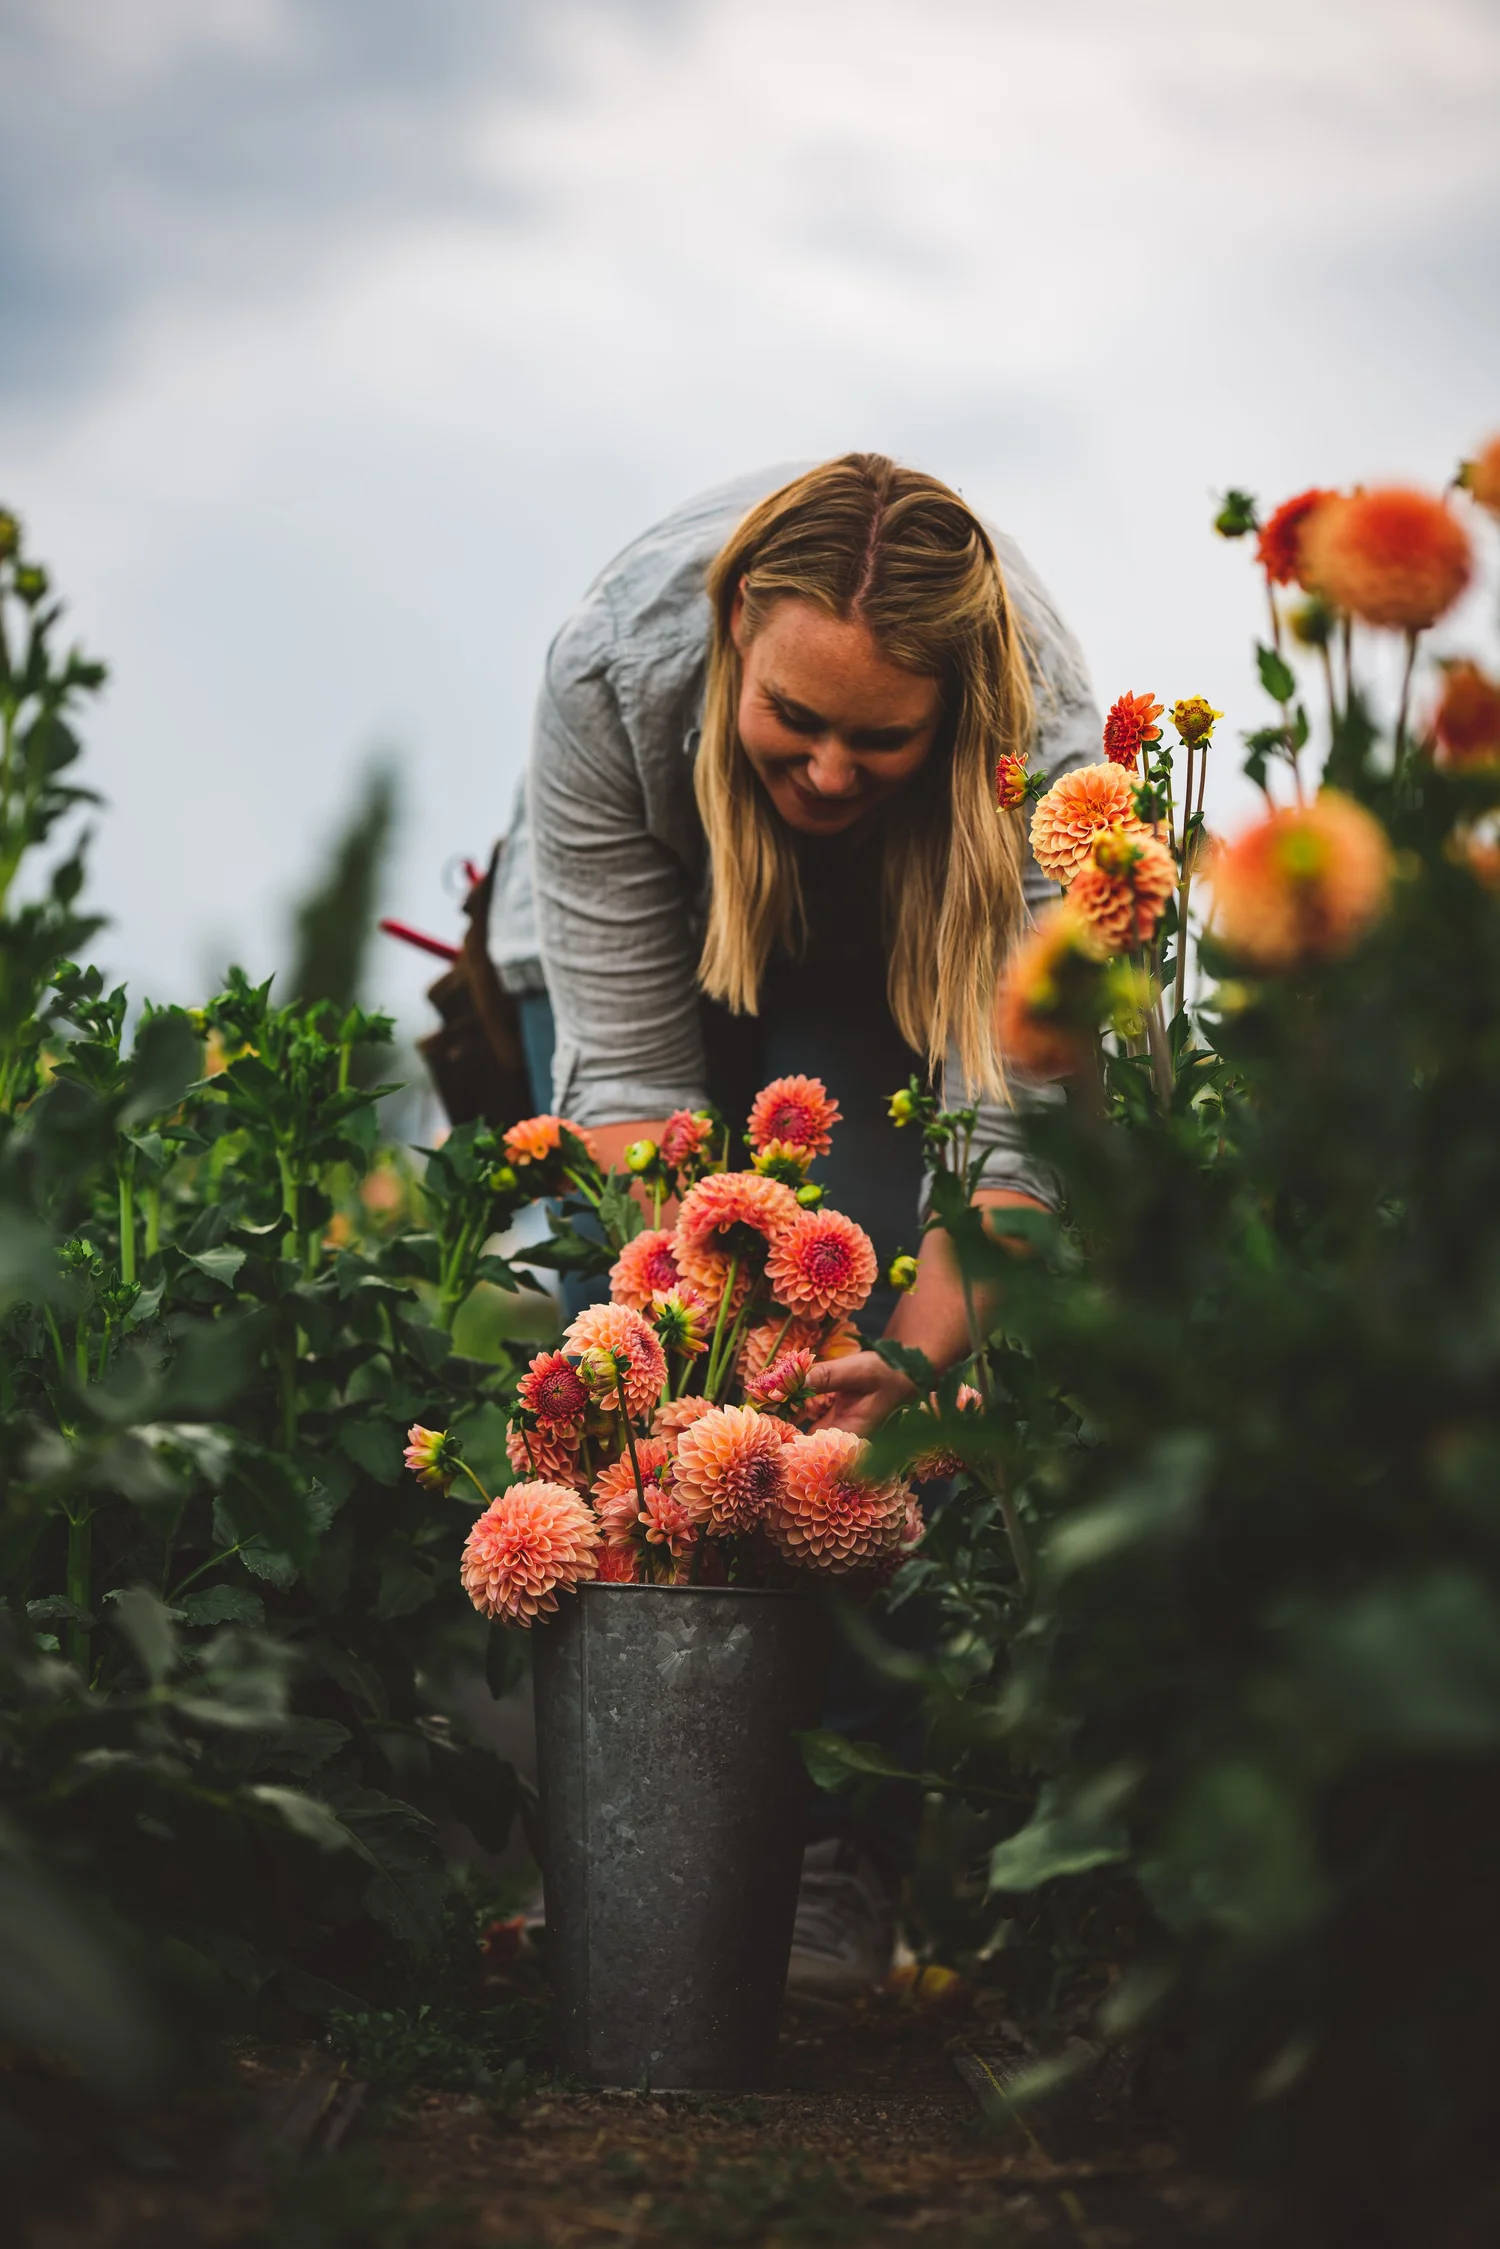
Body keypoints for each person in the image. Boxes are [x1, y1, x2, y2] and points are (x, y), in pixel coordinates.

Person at [490, 454, 1100, 1989]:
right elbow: (632, 1090)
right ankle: (620, 1837)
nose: (829, 772)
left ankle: (832, 1858)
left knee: (875, 1411)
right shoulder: (613, 670)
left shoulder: (1038, 745)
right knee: (632, 1369)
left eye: (881, 737)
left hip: (904, 964)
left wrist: (911, 1364)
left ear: (956, 717)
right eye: (795, 719)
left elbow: (1009, 1152)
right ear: (732, 637)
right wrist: (724, 1338)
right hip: (656, 934)